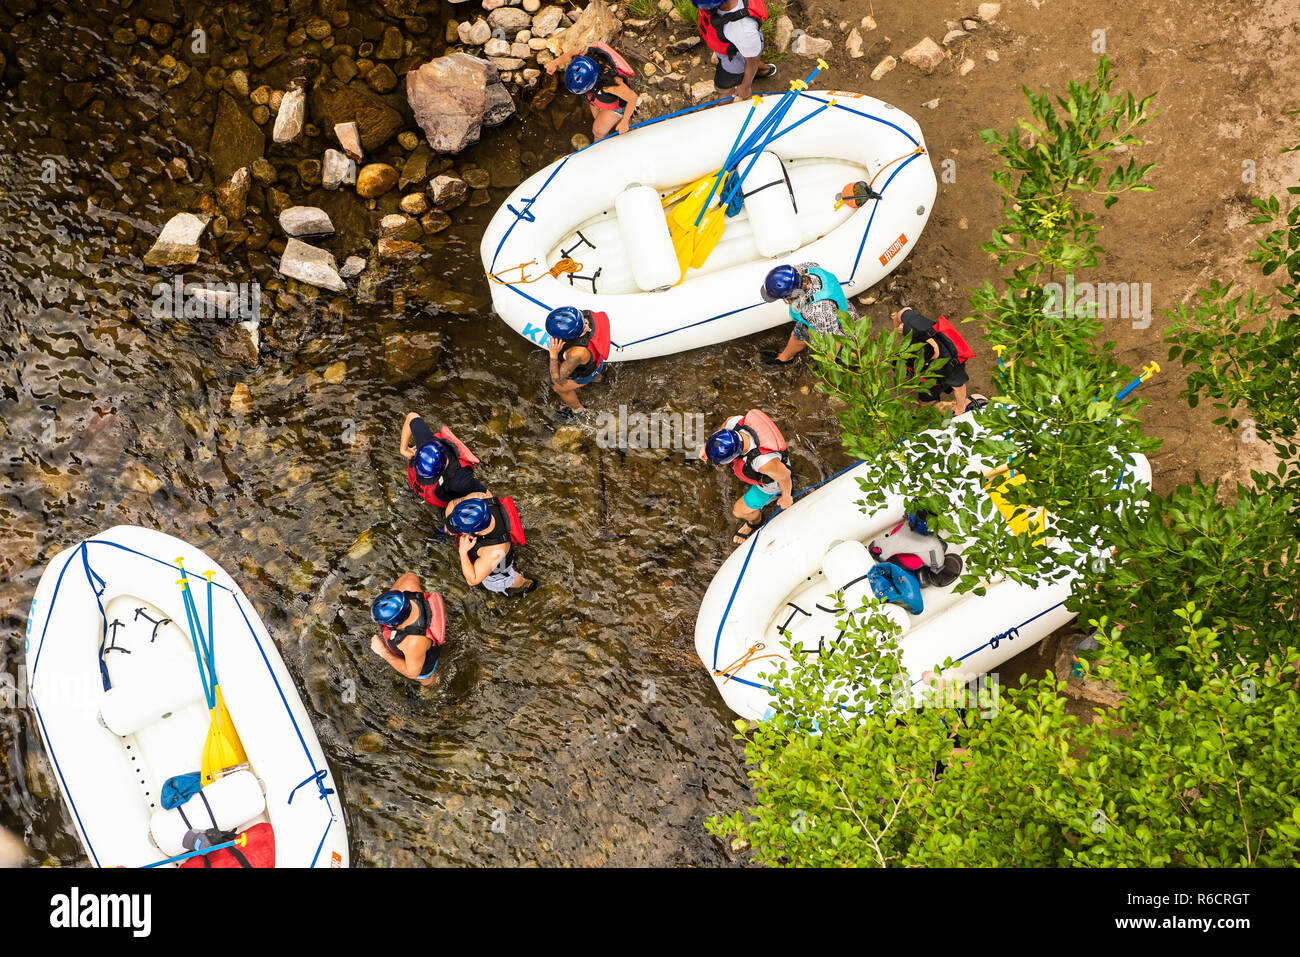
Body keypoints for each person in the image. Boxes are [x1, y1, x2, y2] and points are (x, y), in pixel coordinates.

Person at [701, 409, 794, 545]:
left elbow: (784, 476)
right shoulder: (733, 423)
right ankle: (769, 500)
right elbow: (724, 428)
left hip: (772, 482)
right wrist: (709, 448)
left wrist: (786, 497)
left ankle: (754, 522)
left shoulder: (762, 463)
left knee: (738, 511)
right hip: (774, 464)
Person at [893, 307, 986, 415]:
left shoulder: (952, 367)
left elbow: (960, 388)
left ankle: (927, 404)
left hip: (937, 376)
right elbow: (903, 312)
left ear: (928, 363)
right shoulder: (918, 328)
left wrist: (960, 407)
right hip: (918, 363)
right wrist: (897, 328)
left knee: (926, 398)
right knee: (897, 364)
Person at [759, 262, 858, 364]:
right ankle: (785, 357)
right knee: (798, 334)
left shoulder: (817, 312)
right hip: (833, 312)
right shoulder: (807, 268)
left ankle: (855, 360)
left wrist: (827, 363)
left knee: (840, 351)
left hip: (840, 329)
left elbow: (833, 341)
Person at [545, 43, 640, 142]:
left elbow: (633, 98)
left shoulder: (611, 84)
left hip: (616, 105)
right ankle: (618, 124)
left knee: (598, 131)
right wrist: (555, 63)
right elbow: (570, 55)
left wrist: (624, 122)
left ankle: (621, 125)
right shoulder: (582, 60)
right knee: (598, 119)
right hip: (600, 99)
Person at [447, 494, 536, 596]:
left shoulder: (494, 551)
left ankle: (526, 583)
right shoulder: (483, 499)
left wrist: (463, 551)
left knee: (505, 579)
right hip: (502, 551)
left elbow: (472, 580)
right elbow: (452, 504)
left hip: (499, 571)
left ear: (477, 531)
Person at [691, 0, 777, 102]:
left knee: (723, 88)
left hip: (735, 56)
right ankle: (764, 70)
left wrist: (745, 86)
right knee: (749, 59)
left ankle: (725, 107)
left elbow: (752, 60)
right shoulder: (727, 8)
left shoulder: (742, 29)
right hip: (746, 46)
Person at [400, 413, 487, 511]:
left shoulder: (460, 480)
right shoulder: (426, 443)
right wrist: (403, 449)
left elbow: (486, 495)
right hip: (425, 492)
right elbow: (412, 416)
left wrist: (456, 507)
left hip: (448, 499)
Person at [369, 577, 447, 687]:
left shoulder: (413, 641)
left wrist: (383, 652)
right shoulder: (409, 584)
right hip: (424, 628)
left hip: (423, 658)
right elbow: (411, 574)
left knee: (426, 678)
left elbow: (412, 673)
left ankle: (433, 687)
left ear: (395, 623)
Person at [545, 305, 610, 420]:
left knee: (559, 389)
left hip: (586, 371)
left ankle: (578, 410)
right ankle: (600, 379)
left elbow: (558, 379)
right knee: (592, 369)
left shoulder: (576, 353)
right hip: (597, 361)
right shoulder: (585, 318)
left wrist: (553, 355)